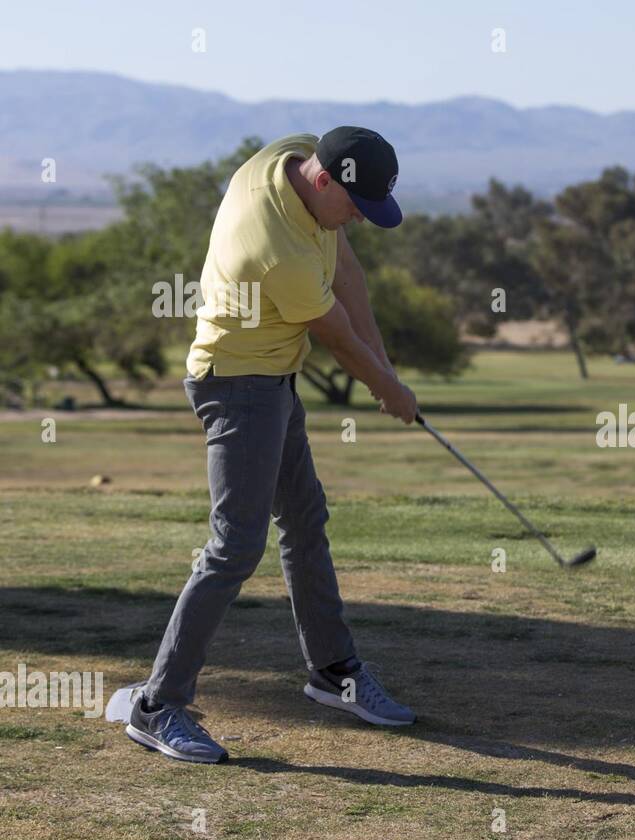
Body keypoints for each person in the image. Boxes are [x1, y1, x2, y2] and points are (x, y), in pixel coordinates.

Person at [121, 127, 421, 764]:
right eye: (355, 206)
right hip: (237, 386)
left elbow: (348, 272)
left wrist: (388, 370)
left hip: (274, 380)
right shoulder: (275, 246)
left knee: (306, 522)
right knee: (235, 545)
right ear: (323, 180)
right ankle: (157, 705)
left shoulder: (297, 152)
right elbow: (337, 333)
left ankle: (333, 673)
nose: (358, 221)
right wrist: (387, 390)